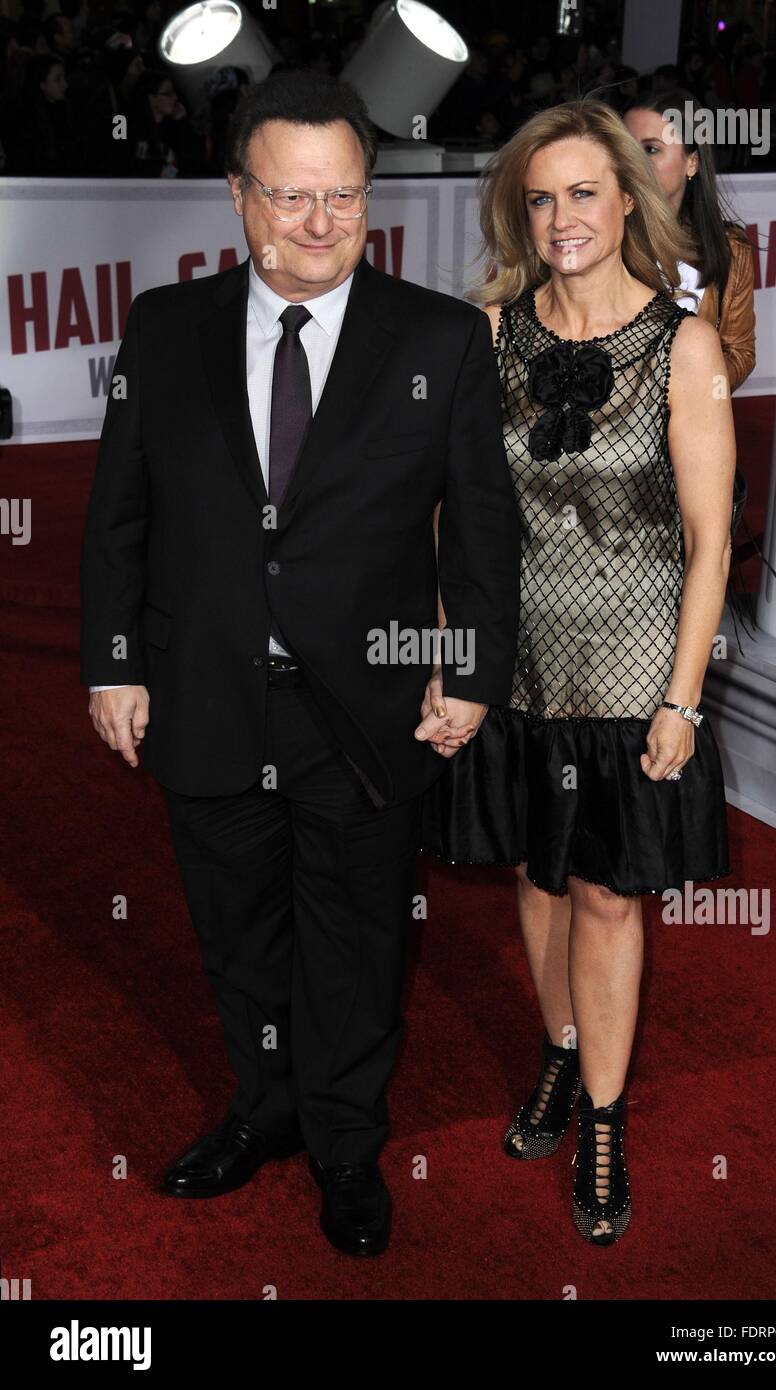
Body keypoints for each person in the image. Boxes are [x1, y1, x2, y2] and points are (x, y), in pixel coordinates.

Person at [80, 70, 520, 1257]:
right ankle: (261, 1108)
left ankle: (342, 1142)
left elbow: (482, 530)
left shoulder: (439, 338)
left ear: (368, 198)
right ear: (237, 197)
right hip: (206, 694)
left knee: (358, 938)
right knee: (236, 933)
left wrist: (467, 666)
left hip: (364, 706)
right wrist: (114, 663)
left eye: (343, 197)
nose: (318, 224)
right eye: (289, 197)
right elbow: (118, 514)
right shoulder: (163, 332)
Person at [422, 99, 735, 1245]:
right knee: (537, 880)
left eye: (584, 193)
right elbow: (457, 522)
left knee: (607, 891)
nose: (561, 217)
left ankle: (602, 1113)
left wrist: (682, 698)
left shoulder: (684, 344)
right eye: (539, 196)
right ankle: (558, 1054)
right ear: (518, 208)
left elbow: (709, 540)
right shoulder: (487, 333)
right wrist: (456, 666)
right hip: (514, 672)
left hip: (632, 677)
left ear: (629, 202)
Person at [624, 88, 756, 391]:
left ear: (692, 163)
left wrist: (687, 395)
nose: (633, 163)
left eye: (651, 149)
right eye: (626, 149)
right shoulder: (599, 235)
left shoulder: (728, 248)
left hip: (684, 427)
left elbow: (739, 352)